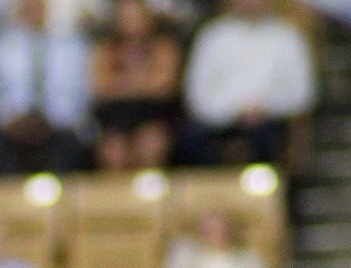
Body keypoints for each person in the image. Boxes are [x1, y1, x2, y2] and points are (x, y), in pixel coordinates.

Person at [184, 0, 315, 165]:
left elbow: (302, 93)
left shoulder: (288, 37)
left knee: (266, 138)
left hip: (270, 122)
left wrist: (266, 108)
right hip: (218, 126)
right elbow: (197, 95)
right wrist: (234, 112)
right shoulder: (212, 36)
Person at [0, 0, 93, 173]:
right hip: (12, 126)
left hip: (57, 127)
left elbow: (81, 94)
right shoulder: (0, 46)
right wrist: (7, 121)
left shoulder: (71, 45)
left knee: (70, 144)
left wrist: (54, 121)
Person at [91, 0, 181, 171]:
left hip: (153, 115)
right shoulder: (106, 49)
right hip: (116, 117)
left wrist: (123, 83)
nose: (132, 25)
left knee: (151, 145)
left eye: (137, 18)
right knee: (114, 151)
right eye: (126, 18)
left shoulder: (163, 47)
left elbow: (164, 86)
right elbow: (100, 87)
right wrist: (143, 81)